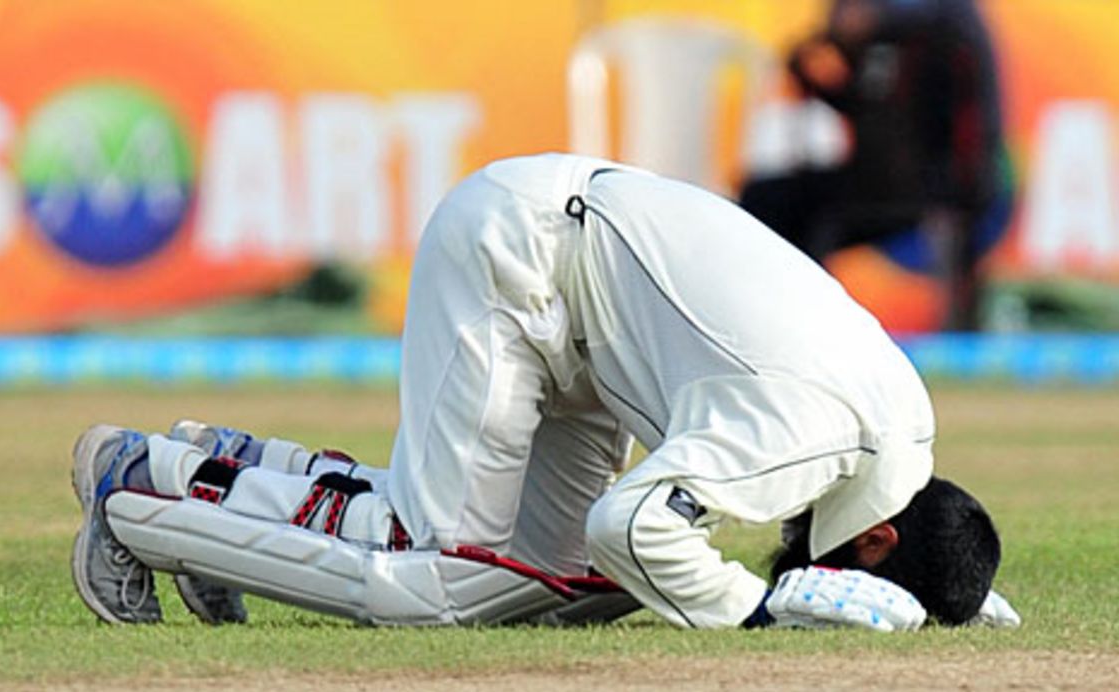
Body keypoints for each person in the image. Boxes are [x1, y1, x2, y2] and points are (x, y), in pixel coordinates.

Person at [70, 153, 1009, 631]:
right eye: (856, 595)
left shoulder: (898, 427)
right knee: (442, 577)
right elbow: (631, 527)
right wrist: (758, 615)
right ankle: (142, 486)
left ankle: (226, 477)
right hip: (521, 258)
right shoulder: (816, 433)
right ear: (875, 541)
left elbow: (616, 547)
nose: (836, 603)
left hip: (585, 313)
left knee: (546, 582)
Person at [740, 0, 1012, 331]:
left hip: (937, 182)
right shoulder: (883, 50)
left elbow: (928, 23)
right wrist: (812, 69)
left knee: (814, 214)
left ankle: (805, 322)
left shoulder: (938, 32)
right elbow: (860, 102)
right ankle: (765, 317)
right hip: (874, 178)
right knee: (766, 198)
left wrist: (873, 19)